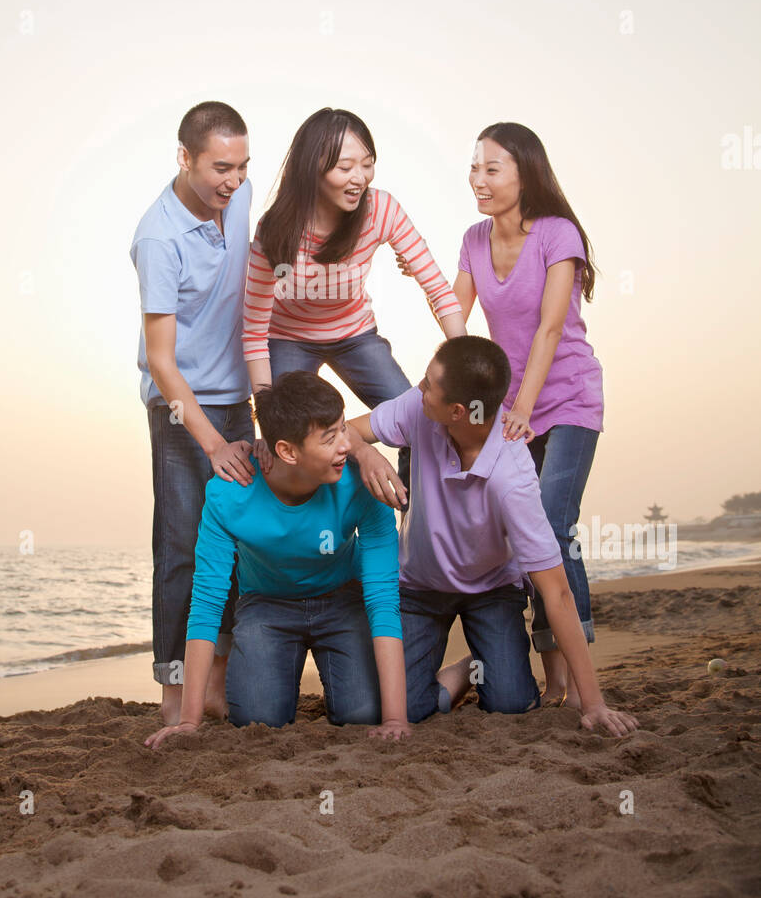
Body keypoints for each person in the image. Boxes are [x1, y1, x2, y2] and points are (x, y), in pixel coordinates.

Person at [397, 124, 605, 707]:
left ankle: (564, 668)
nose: (478, 180)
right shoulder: (472, 239)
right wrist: (441, 381)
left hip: (564, 399)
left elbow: (548, 328)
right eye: (474, 168)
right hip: (507, 405)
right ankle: (521, 659)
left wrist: (521, 408)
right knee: (523, 531)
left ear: (524, 173)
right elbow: (454, 313)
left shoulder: (558, 236)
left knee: (553, 526)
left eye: (492, 169)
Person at [345, 337, 636, 736]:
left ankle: (476, 664)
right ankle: (465, 669)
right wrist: (366, 453)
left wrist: (594, 703)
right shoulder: (418, 407)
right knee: (400, 706)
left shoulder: (512, 478)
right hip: (419, 586)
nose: (420, 388)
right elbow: (345, 431)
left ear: (458, 411)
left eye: (430, 385)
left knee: (510, 705)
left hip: (491, 590)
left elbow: (556, 592)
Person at [144, 372, 410, 747]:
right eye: (330, 437)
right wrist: (189, 720)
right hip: (266, 607)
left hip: (340, 600)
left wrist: (396, 717)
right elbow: (206, 604)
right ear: (287, 451)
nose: (345, 446)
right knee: (257, 719)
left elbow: (383, 598)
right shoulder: (230, 493)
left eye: (343, 430)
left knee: (361, 715)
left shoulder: (364, 482)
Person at [241, 108, 466, 495]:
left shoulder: (381, 209)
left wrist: (464, 363)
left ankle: (416, 525)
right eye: (345, 167)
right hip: (288, 337)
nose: (359, 178)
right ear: (313, 168)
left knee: (421, 418)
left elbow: (437, 287)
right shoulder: (275, 229)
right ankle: (310, 537)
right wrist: (266, 411)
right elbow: (254, 329)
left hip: (355, 334)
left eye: (367, 164)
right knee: (291, 443)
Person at [130, 101, 261, 730]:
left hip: (239, 399)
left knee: (238, 545)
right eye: (219, 168)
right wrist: (212, 443)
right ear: (184, 159)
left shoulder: (241, 194)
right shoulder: (157, 238)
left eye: (241, 166)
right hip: (182, 411)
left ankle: (218, 683)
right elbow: (161, 362)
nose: (233, 181)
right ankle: (176, 694)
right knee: (182, 547)